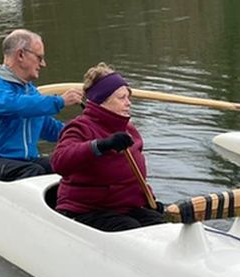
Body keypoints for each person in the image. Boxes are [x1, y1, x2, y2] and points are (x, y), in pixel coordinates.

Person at [50, 63, 164, 231]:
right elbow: (59, 162)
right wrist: (101, 146)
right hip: (87, 210)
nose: (128, 103)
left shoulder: (129, 129)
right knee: (129, 228)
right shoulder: (80, 127)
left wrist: (149, 199)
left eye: (129, 97)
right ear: (102, 101)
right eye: (122, 98)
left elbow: (135, 176)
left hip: (124, 208)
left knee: (162, 226)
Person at [0, 29, 83, 181]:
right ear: (20, 55)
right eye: (39, 57)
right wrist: (59, 101)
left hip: (23, 162)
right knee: (33, 171)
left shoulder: (31, 91)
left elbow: (48, 127)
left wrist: (88, 137)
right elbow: (6, 105)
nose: (43, 64)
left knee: (69, 165)